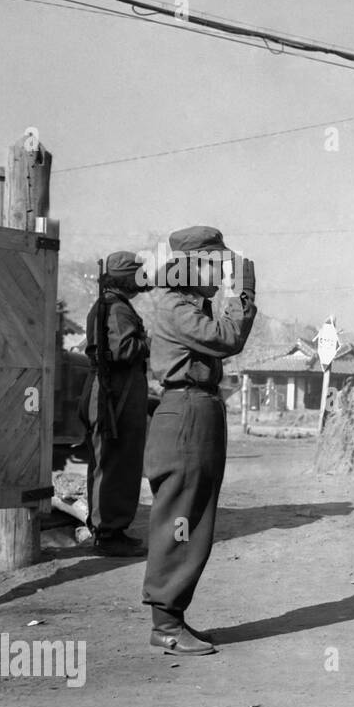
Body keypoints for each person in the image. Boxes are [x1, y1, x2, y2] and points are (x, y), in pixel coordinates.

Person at [142, 226, 256, 656]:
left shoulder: (193, 305)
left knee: (195, 516)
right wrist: (243, 294)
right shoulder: (175, 306)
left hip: (198, 408)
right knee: (181, 515)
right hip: (186, 411)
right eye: (215, 264)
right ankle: (166, 622)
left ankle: (172, 617)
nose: (222, 273)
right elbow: (228, 339)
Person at [82, 250, 151, 558]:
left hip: (109, 390)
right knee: (116, 463)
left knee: (108, 461)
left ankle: (108, 529)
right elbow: (124, 350)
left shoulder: (106, 305)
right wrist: (151, 342)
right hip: (116, 393)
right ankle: (109, 533)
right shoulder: (117, 309)